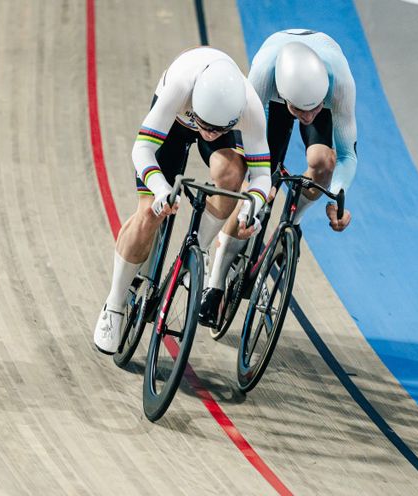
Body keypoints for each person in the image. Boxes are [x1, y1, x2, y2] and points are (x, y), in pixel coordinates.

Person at [93, 47, 270, 354]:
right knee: (149, 213)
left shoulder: (249, 106)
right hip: (175, 122)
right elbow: (142, 149)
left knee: (232, 174)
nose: (210, 135)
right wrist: (161, 189)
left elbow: (262, 176)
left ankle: (196, 248)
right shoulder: (181, 85)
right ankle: (115, 304)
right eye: (205, 126)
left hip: (209, 115)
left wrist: (252, 208)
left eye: (219, 130)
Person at [198, 29, 358, 327]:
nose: (307, 117)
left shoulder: (339, 82)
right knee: (254, 180)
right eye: (300, 110)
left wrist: (337, 195)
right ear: (287, 96)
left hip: (309, 90)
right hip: (269, 104)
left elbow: (348, 156)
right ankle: (215, 280)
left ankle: (292, 225)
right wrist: (261, 181)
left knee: (324, 162)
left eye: (313, 109)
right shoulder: (263, 73)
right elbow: (247, 141)